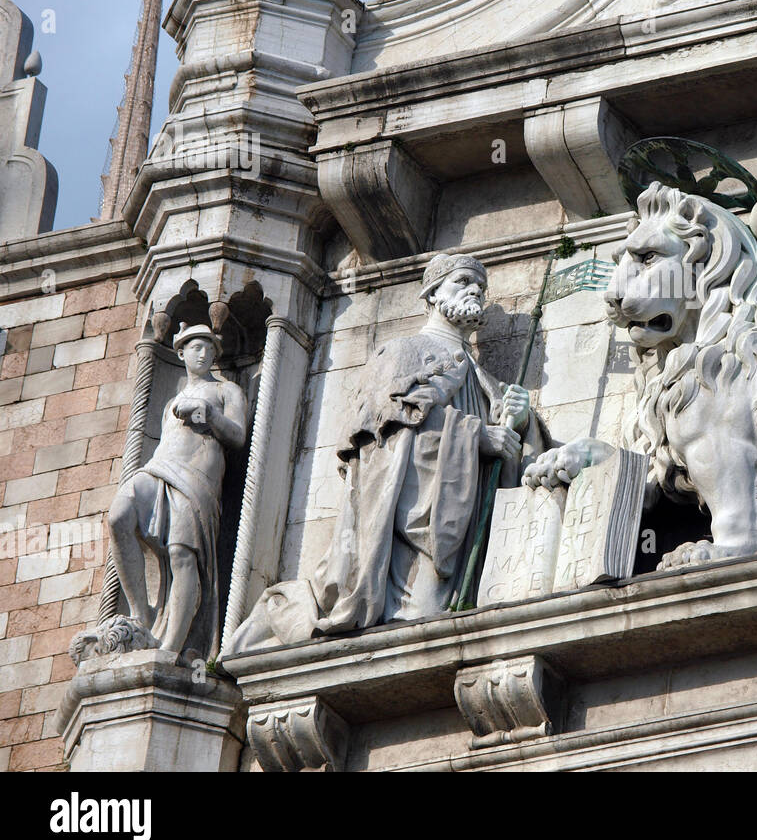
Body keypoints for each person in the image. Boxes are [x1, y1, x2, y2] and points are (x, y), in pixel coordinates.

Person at [231, 253, 547, 652]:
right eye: (463, 281)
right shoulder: (402, 353)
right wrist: (474, 436)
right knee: (421, 624)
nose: (475, 292)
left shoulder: (483, 380)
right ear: (432, 293)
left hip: (463, 524)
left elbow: (512, 462)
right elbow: (383, 443)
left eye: (480, 287)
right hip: (417, 524)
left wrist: (518, 422)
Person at [107, 323, 247, 661]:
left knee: (183, 555)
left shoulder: (228, 391)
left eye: (208, 348)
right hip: (159, 470)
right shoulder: (172, 398)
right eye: (195, 347)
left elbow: (238, 436)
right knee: (118, 516)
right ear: (180, 353)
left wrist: (209, 414)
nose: (202, 353)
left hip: (197, 481)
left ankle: (173, 645)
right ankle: (141, 615)